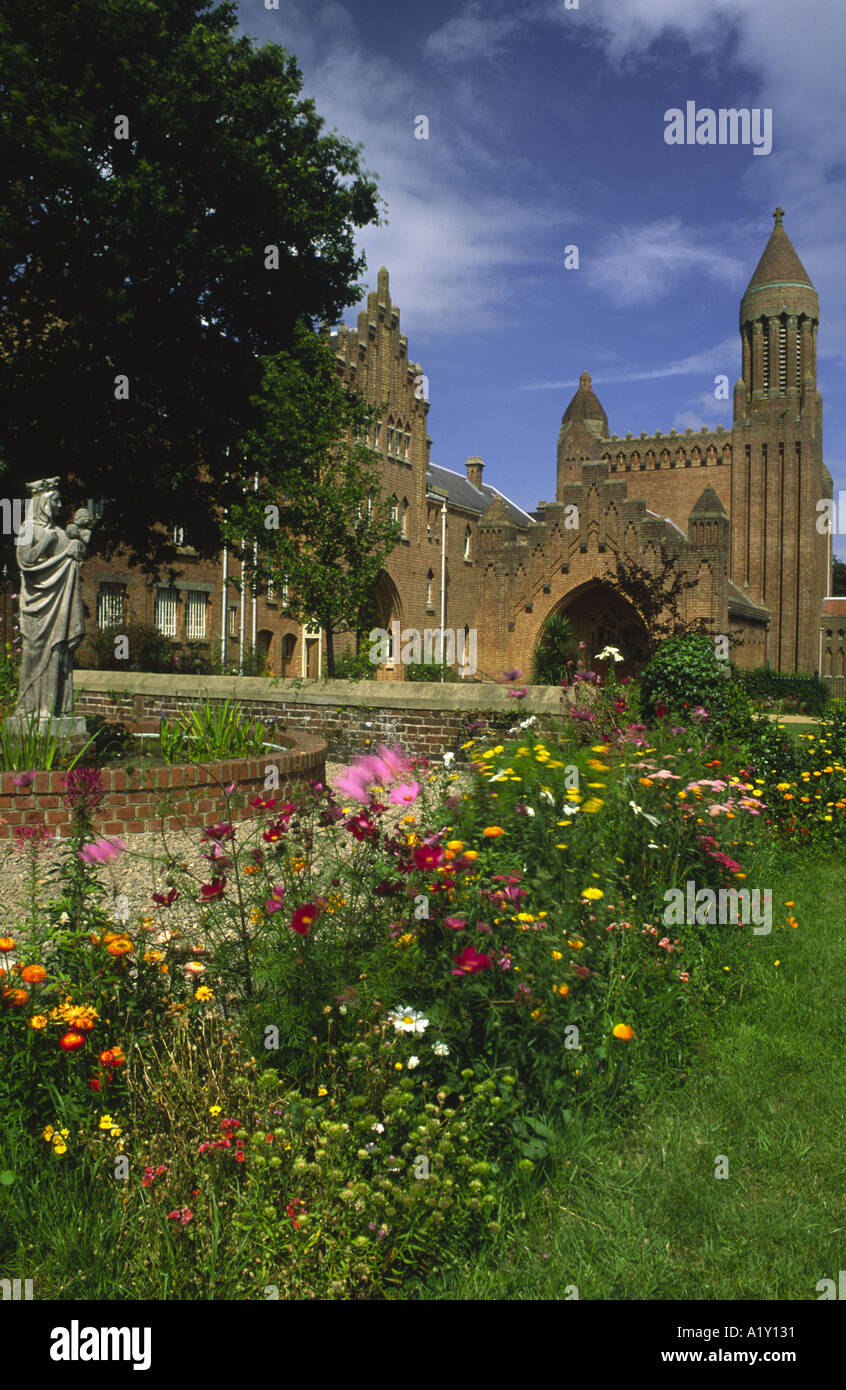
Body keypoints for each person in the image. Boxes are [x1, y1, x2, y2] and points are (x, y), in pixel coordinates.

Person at [14, 478, 91, 718]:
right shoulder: (28, 529)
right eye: (56, 501)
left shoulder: (60, 531)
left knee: (58, 651)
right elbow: (25, 561)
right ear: (43, 503)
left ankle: (54, 707)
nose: (59, 506)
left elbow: (74, 555)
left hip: (59, 604)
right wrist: (47, 542)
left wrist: (78, 547)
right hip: (37, 604)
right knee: (33, 652)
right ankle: (29, 708)